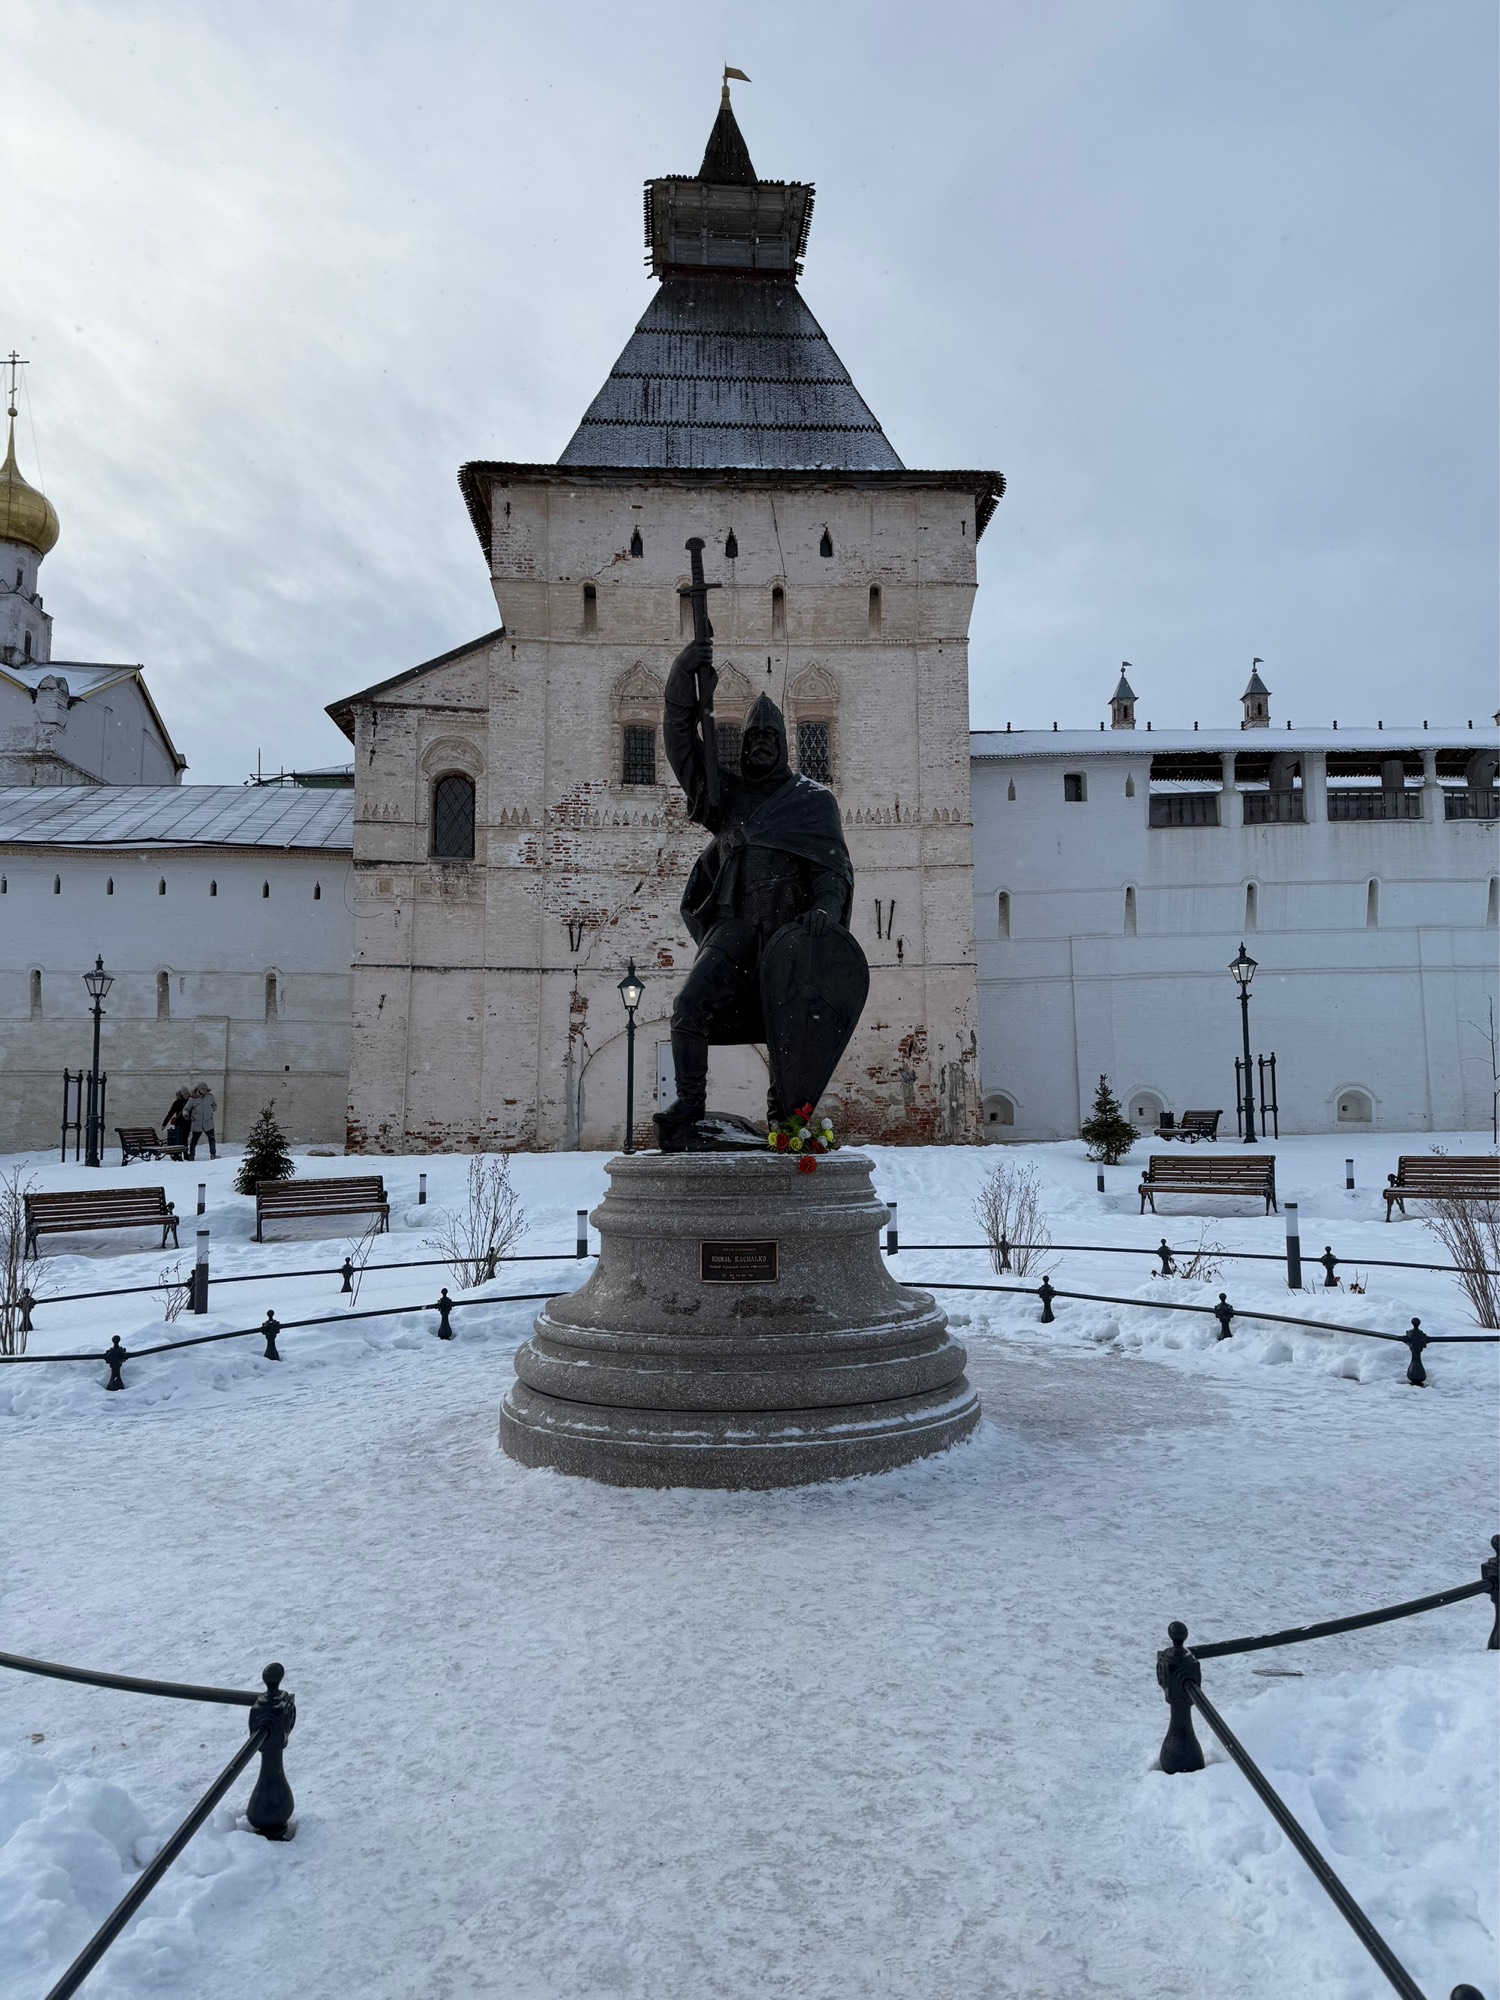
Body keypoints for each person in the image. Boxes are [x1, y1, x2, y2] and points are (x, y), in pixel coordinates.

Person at [654, 636, 853, 1151]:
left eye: (769, 736)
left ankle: (787, 1121)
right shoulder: (726, 794)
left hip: (789, 932)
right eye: (752, 736)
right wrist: (682, 677)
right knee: (689, 1006)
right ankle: (690, 1106)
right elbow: (680, 741)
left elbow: (831, 870)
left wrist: (826, 911)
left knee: (790, 1026)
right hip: (735, 927)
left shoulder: (812, 802)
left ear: (783, 742)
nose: (759, 743)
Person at [188, 1082, 218, 1161]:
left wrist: (212, 1109)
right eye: (203, 1089)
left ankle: (213, 1154)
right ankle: (191, 1155)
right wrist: (186, 1114)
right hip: (197, 1122)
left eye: (205, 1089)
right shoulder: (193, 1099)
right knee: (194, 1140)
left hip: (208, 1122)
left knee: (212, 1139)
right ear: (199, 1089)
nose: (204, 1090)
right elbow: (186, 1109)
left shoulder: (210, 1097)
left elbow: (214, 1105)